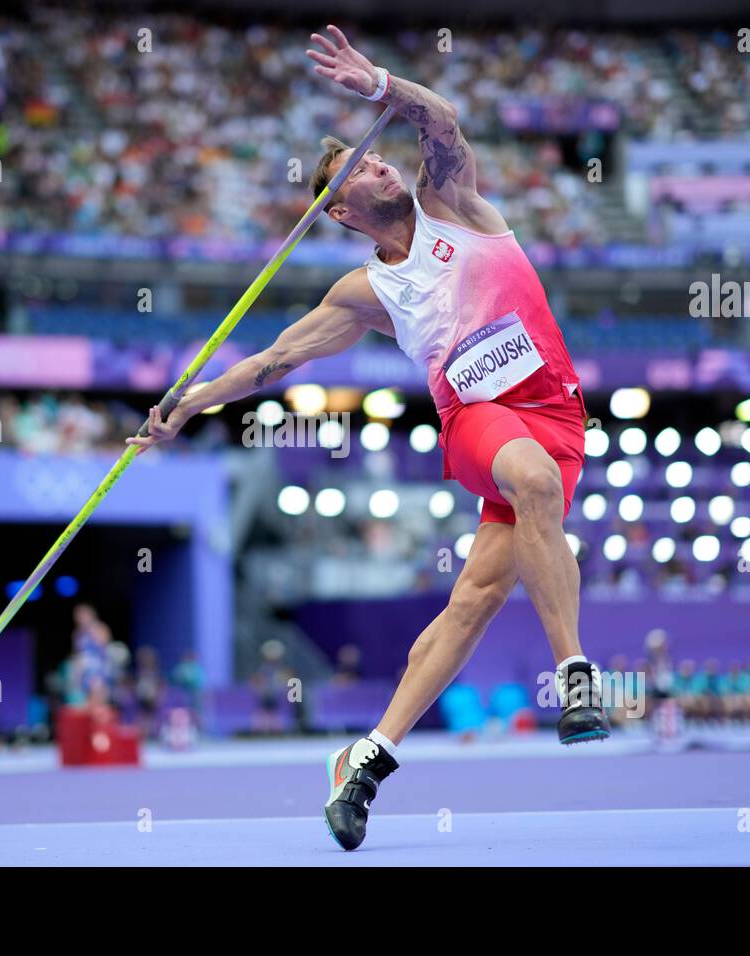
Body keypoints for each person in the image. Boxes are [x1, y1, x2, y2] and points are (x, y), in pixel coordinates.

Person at [126, 25, 608, 851]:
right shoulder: (367, 291)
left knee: (475, 601)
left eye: (377, 154)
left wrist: (382, 85)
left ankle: (365, 760)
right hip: (478, 423)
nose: (380, 163)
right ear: (342, 210)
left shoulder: (454, 201)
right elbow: (275, 360)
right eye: (361, 168)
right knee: (527, 481)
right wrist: (188, 404)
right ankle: (577, 677)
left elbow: (442, 120)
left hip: (557, 414)